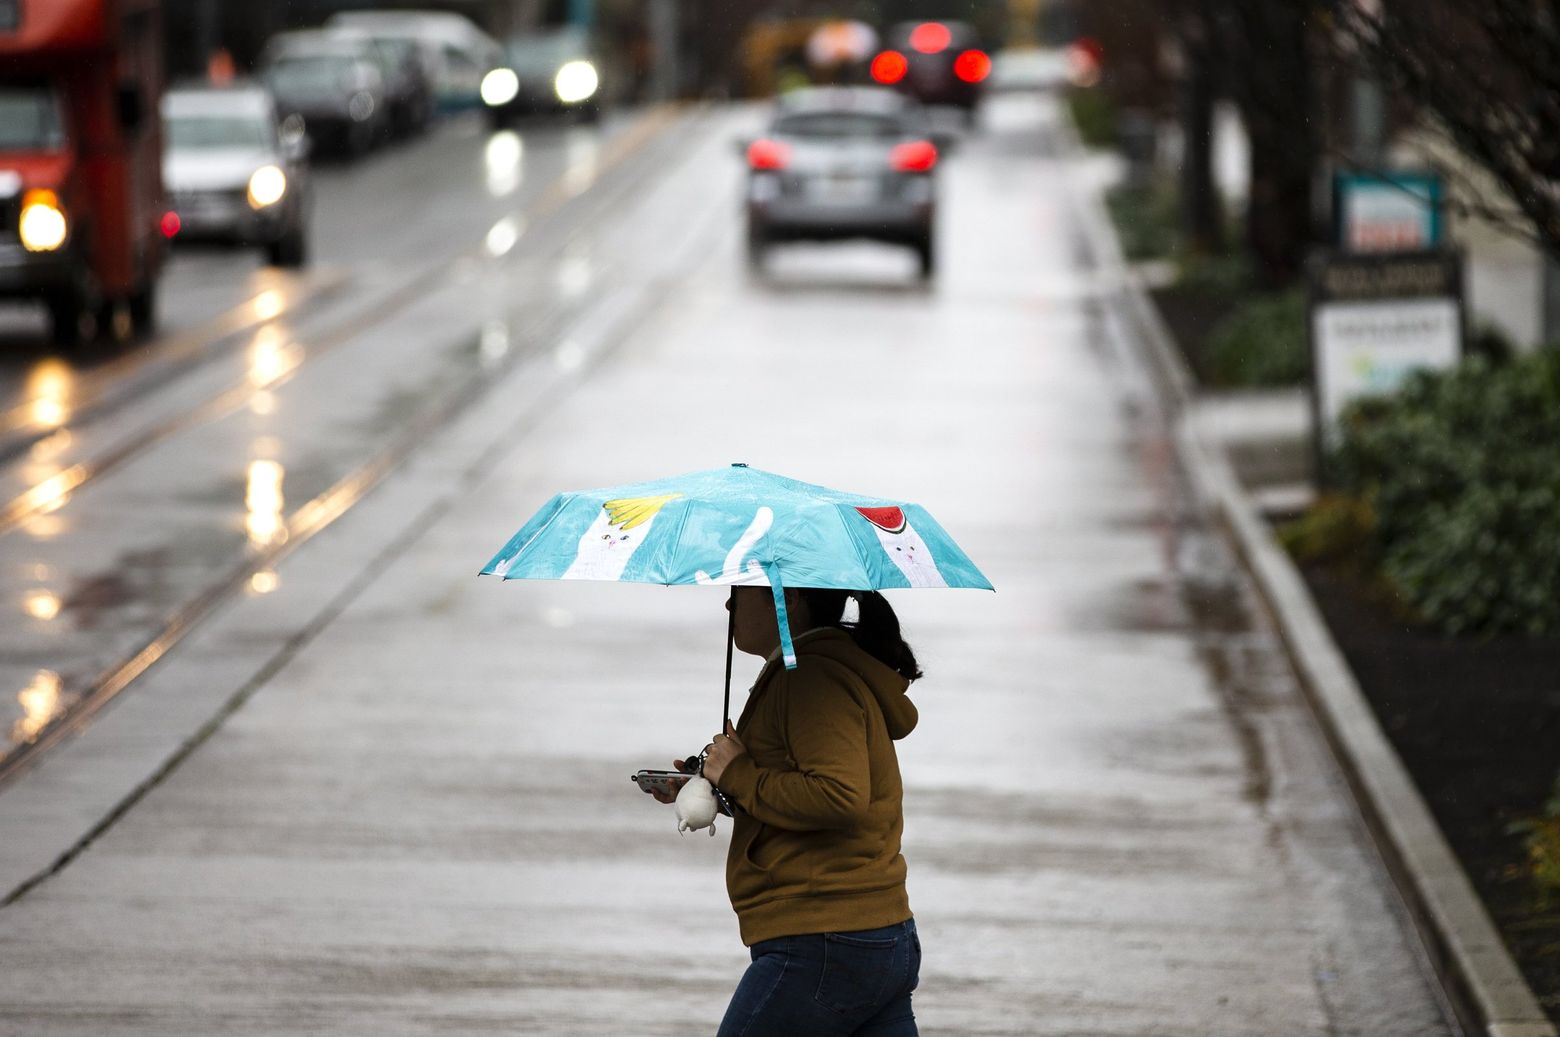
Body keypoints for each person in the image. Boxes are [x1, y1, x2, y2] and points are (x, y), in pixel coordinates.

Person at [653, 585, 924, 1036]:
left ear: (788, 598)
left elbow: (838, 798)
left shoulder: (810, 677)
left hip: (824, 939)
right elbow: (805, 795)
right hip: (874, 932)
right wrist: (716, 786)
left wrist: (738, 773)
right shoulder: (824, 670)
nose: (728, 605)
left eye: (740, 593)